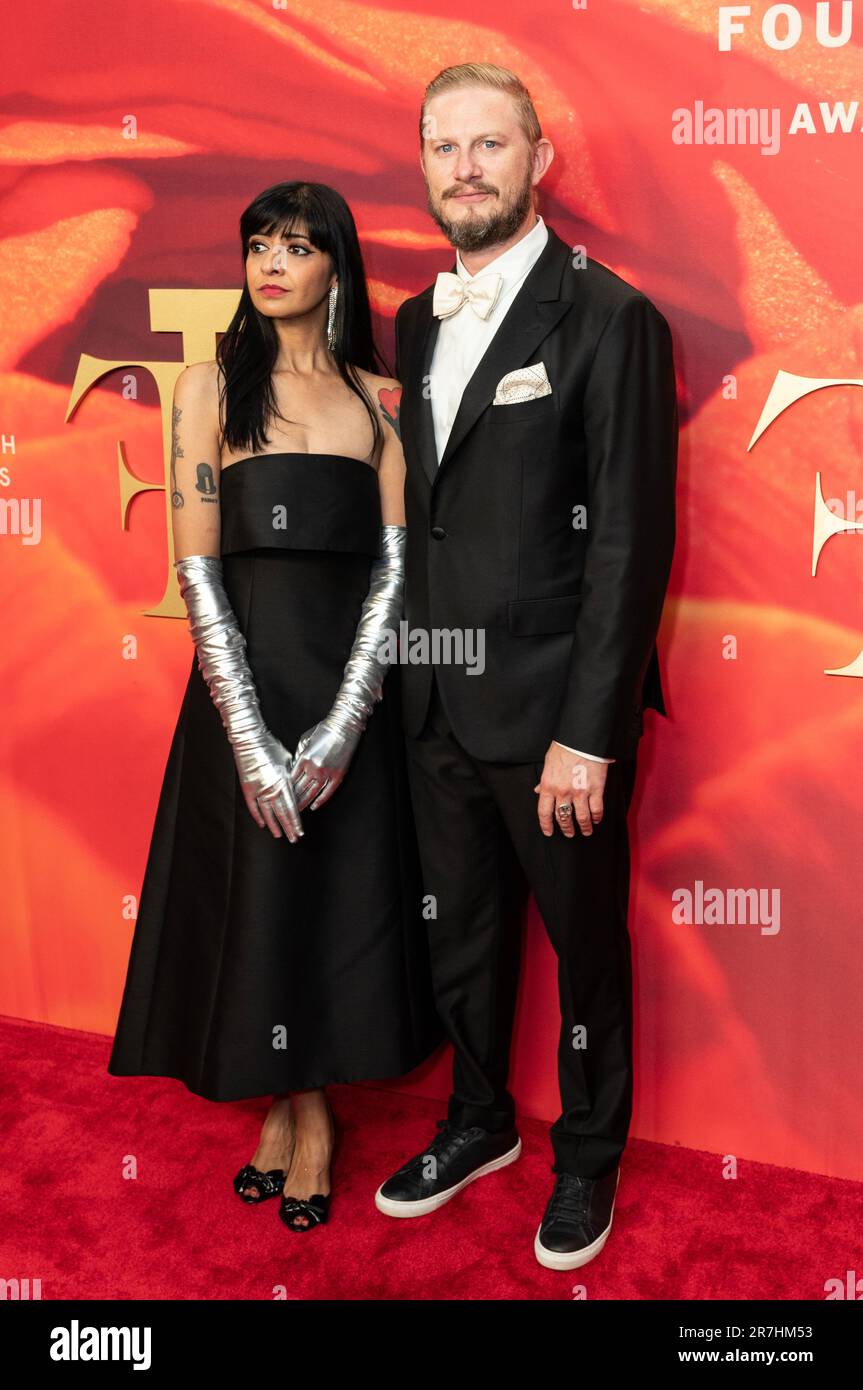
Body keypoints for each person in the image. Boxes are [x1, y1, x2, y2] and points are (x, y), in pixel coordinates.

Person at [374, 64, 678, 1270]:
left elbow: (627, 542)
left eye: (488, 145)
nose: (463, 168)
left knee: (583, 945)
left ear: (537, 159)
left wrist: (589, 730)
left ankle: (587, 1162)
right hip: (435, 694)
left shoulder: (610, 319)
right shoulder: (409, 318)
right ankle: (477, 1121)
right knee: (461, 934)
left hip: (555, 714)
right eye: (442, 146)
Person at [107, 180, 442, 1232]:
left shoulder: (378, 402)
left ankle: (314, 1116)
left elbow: (393, 579)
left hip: (345, 696)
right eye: (258, 243)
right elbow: (196, 571)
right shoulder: (208, 387)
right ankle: (291, 1108)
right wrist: (250, 738)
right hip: (238, 693)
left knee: (331, 906)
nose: (271, 263)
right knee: (258, 902)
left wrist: (341, 726)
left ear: (335, 265)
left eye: (296, 246)